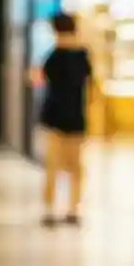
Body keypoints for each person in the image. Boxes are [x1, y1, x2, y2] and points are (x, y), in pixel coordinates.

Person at [31, 13, 94, 226]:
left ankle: (50, 209)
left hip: (54, 116)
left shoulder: (53, 56)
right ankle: (73, 208)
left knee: (53, 164)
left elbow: (40, 79)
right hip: (76, 116)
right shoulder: (82, 55)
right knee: (76, 166)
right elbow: (90, 85)